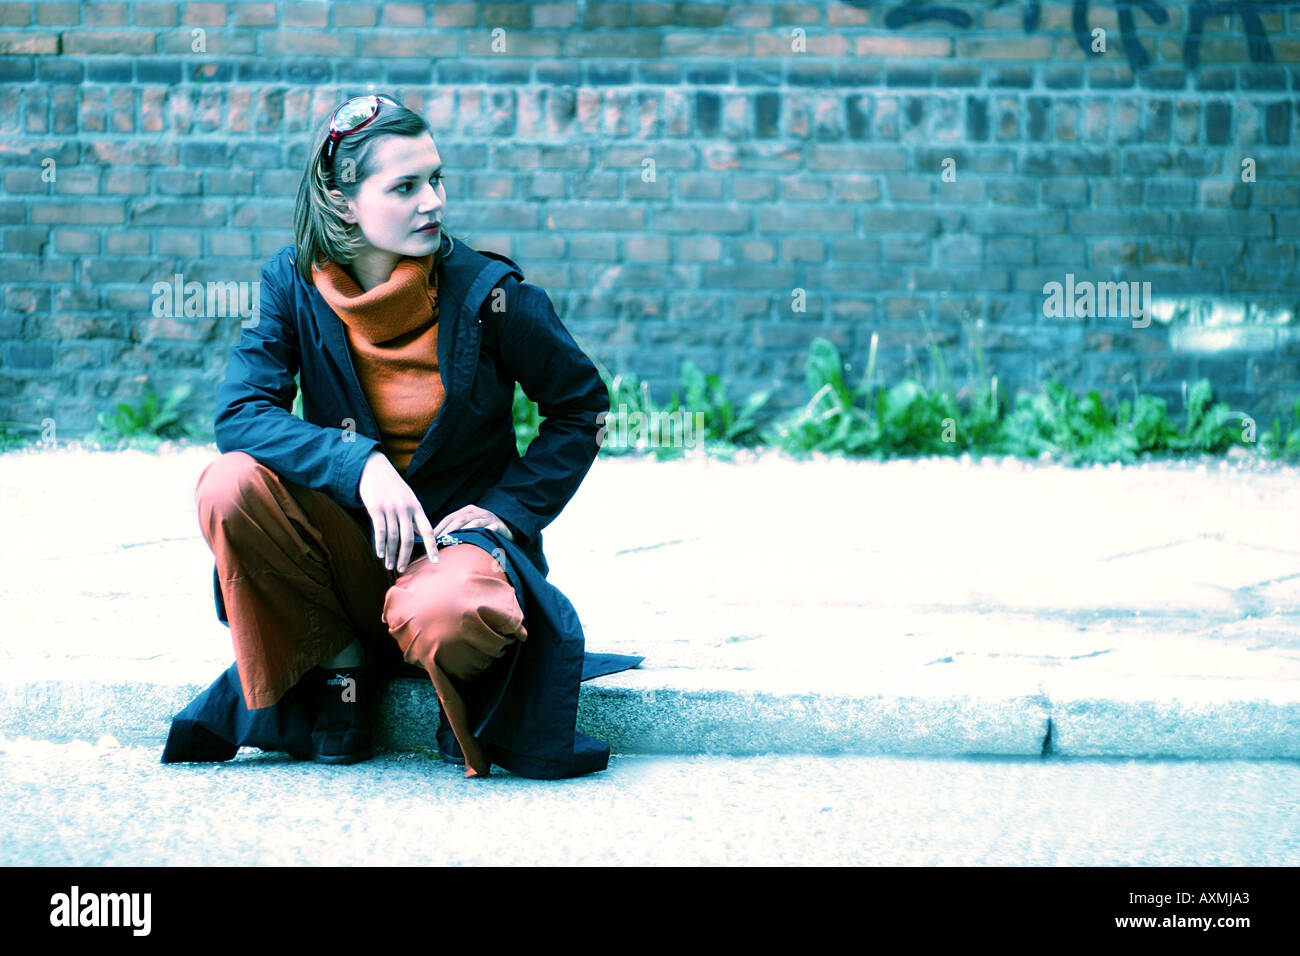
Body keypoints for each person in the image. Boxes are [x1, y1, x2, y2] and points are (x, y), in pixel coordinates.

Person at [191, 92, 614, 778]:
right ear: (343, 202)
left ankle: (461, 679)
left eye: (436, 179)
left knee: (447, 611)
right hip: (347, 556)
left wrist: (509, 510)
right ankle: (343, 676)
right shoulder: (293, 283)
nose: (433, 202)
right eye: (406, 186)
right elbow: (241, 413)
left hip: (454, 557)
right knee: (228, 483)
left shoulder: (488, 293)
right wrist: (357, 463)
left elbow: (581, 406)